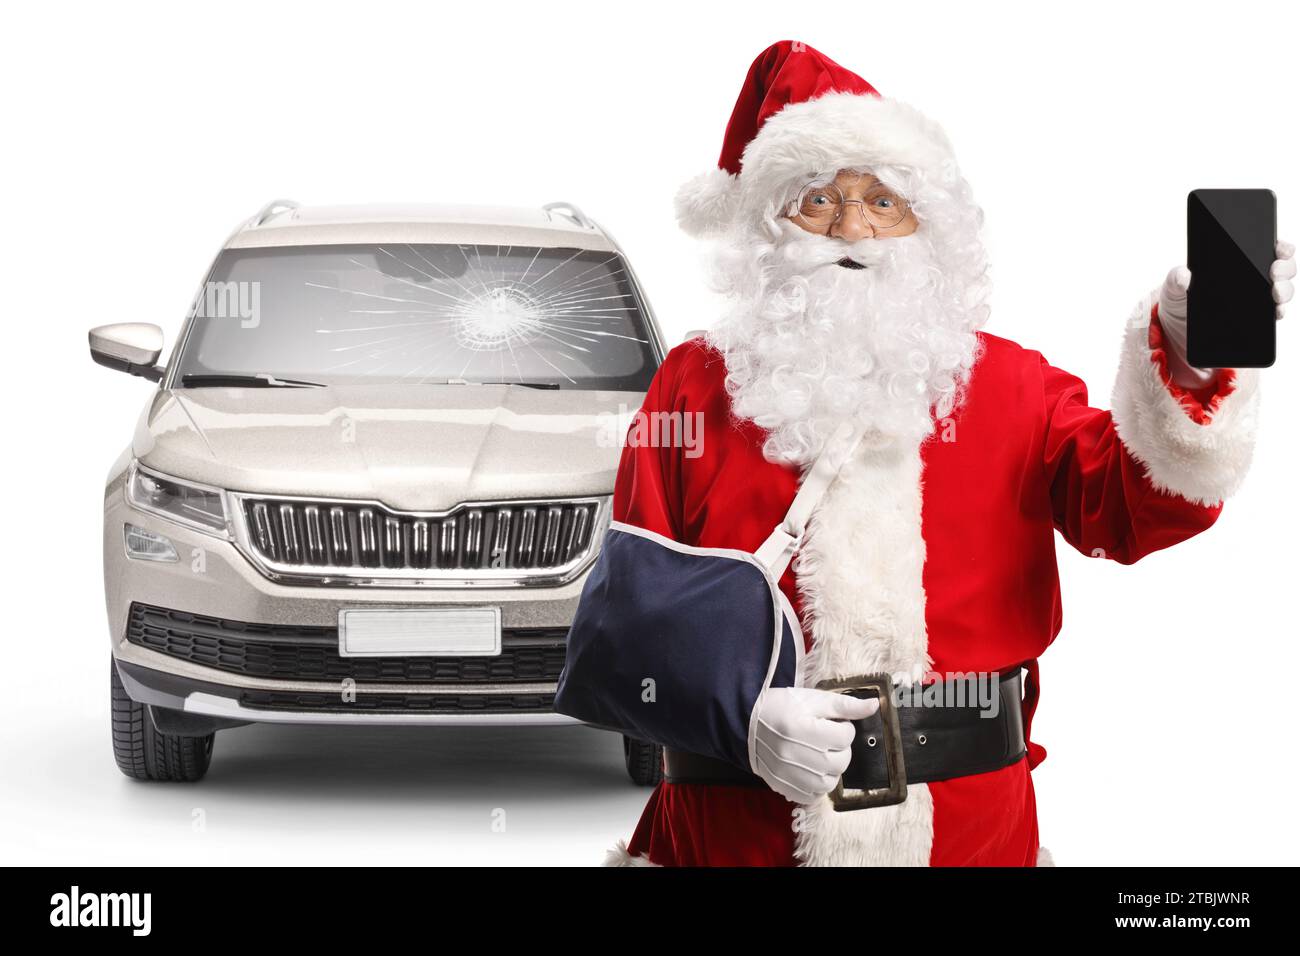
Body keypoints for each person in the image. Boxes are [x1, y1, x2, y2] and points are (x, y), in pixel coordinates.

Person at [598, 41, 1294, 866]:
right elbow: (625, 625)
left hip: (970, 832)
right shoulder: (692, 384)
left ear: (931, 227)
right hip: (739, 832)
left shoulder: (1011, 384)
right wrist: (736, 715)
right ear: (766, 228)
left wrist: (1186, 361)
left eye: (884, 202)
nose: (852, 228)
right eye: (817, 199)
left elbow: (1137, 512)